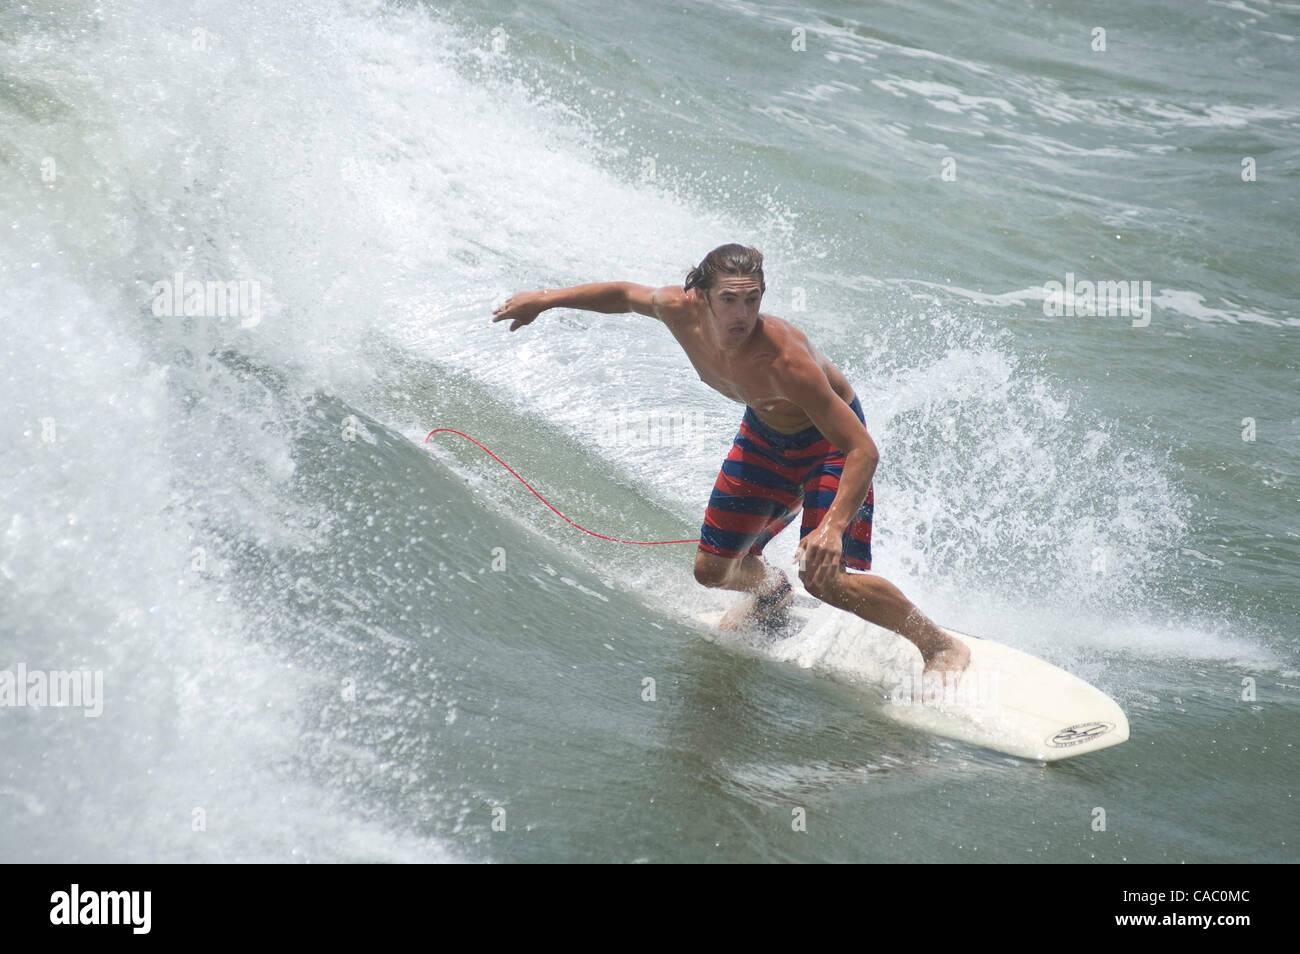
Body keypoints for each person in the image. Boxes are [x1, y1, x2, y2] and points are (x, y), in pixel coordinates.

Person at [492, 243, 969, 676]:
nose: (743, 313)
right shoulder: (677, 311)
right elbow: (621, 294)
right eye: (730, 300)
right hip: (765, 434)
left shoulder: (786, 363)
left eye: (753, 299)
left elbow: (862, 448)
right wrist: (545, 298)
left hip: (829, 445)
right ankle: (772, 593)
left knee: (826, 580)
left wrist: (833, 529)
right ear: (701, 296)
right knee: (712, 571)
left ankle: (939, 646)